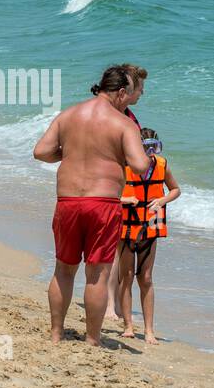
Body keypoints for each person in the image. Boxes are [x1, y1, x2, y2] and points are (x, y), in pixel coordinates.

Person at [33, 66, 150, 345]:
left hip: (68, 201)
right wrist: (117, 155)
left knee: (63, 268)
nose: (135, 97)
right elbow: (141, 165)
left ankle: (56, 334)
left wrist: (69, 153)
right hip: (103, 203)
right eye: (132, 92)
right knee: (97, 273)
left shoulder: (69, 114)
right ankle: (93, 339)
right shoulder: (123, 124)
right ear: (121, 93)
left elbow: (41, 152)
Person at [117, 128, 180, 344]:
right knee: (125, 276)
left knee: (145, 278)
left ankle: (149, 330)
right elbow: (106, 193)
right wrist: (124, 200)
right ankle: (127, 326)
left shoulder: (161, 165)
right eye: (146, 148)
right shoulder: (123, 165)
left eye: (154, 147)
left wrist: (162, 201)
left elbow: (175, 190)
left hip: (151, 225)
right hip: (127, 227)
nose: (151, 152)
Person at [106, 64, 147, 324]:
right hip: (110, 190)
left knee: (123, 252)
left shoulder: (130, 117)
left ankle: (119, 303)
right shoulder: (111, 115)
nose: (142, 93)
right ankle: (109, 304)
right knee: (111, 252)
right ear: (127, 89)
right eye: (140, 88)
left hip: (128, 189)